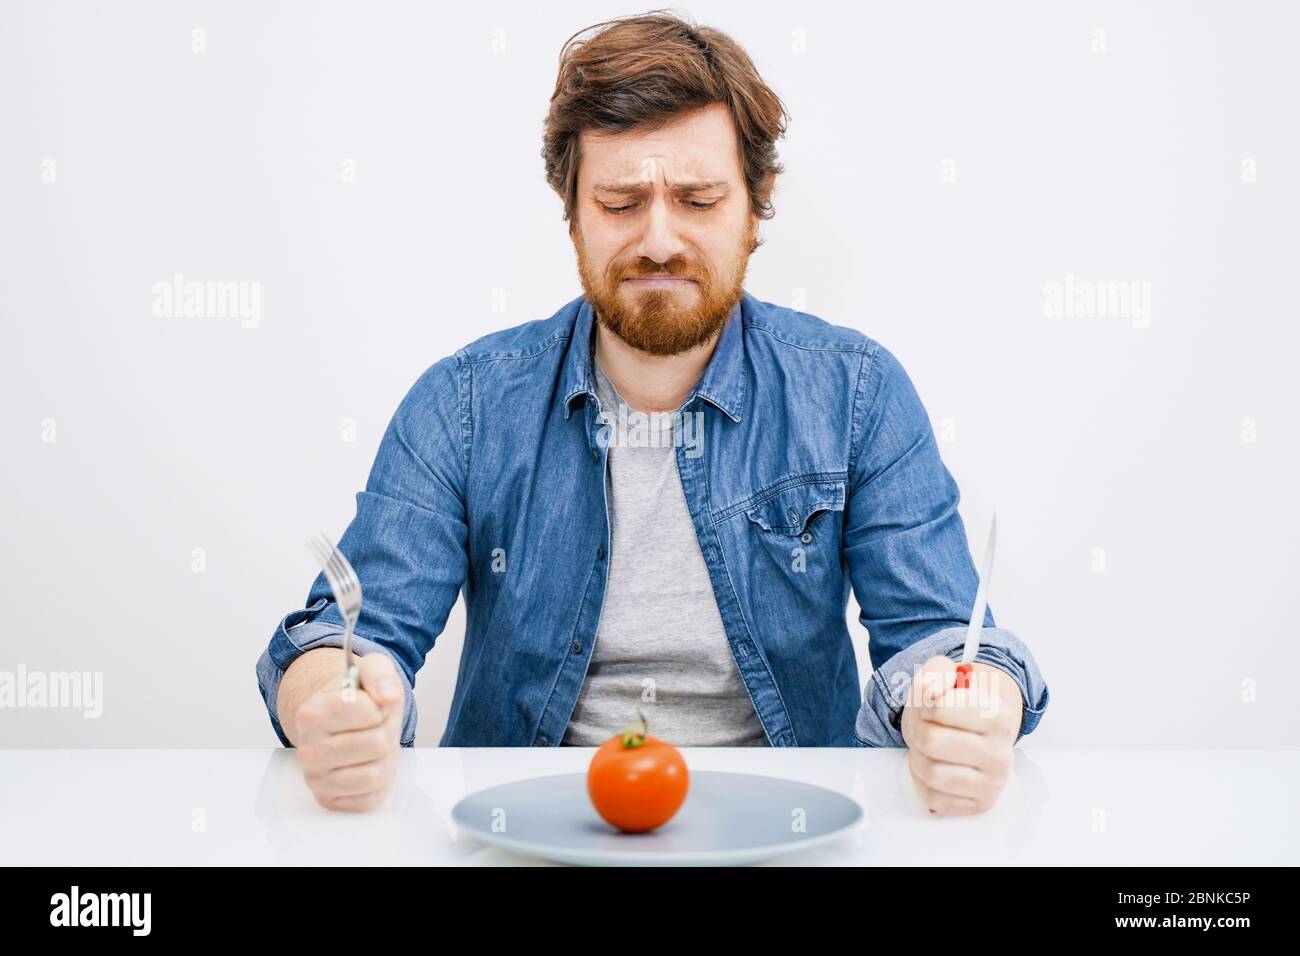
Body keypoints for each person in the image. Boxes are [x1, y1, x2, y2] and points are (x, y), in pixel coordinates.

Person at [256, 11, 1049, 814]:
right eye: (620, 201)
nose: (659, 240)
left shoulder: (857, 394)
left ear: (757, 203)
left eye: (699, 199)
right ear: (572, 209)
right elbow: (344, 640)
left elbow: (943, 642)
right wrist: (333, 704)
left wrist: (967, 709)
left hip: (791, 829)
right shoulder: (463, 407)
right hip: (523, 829)